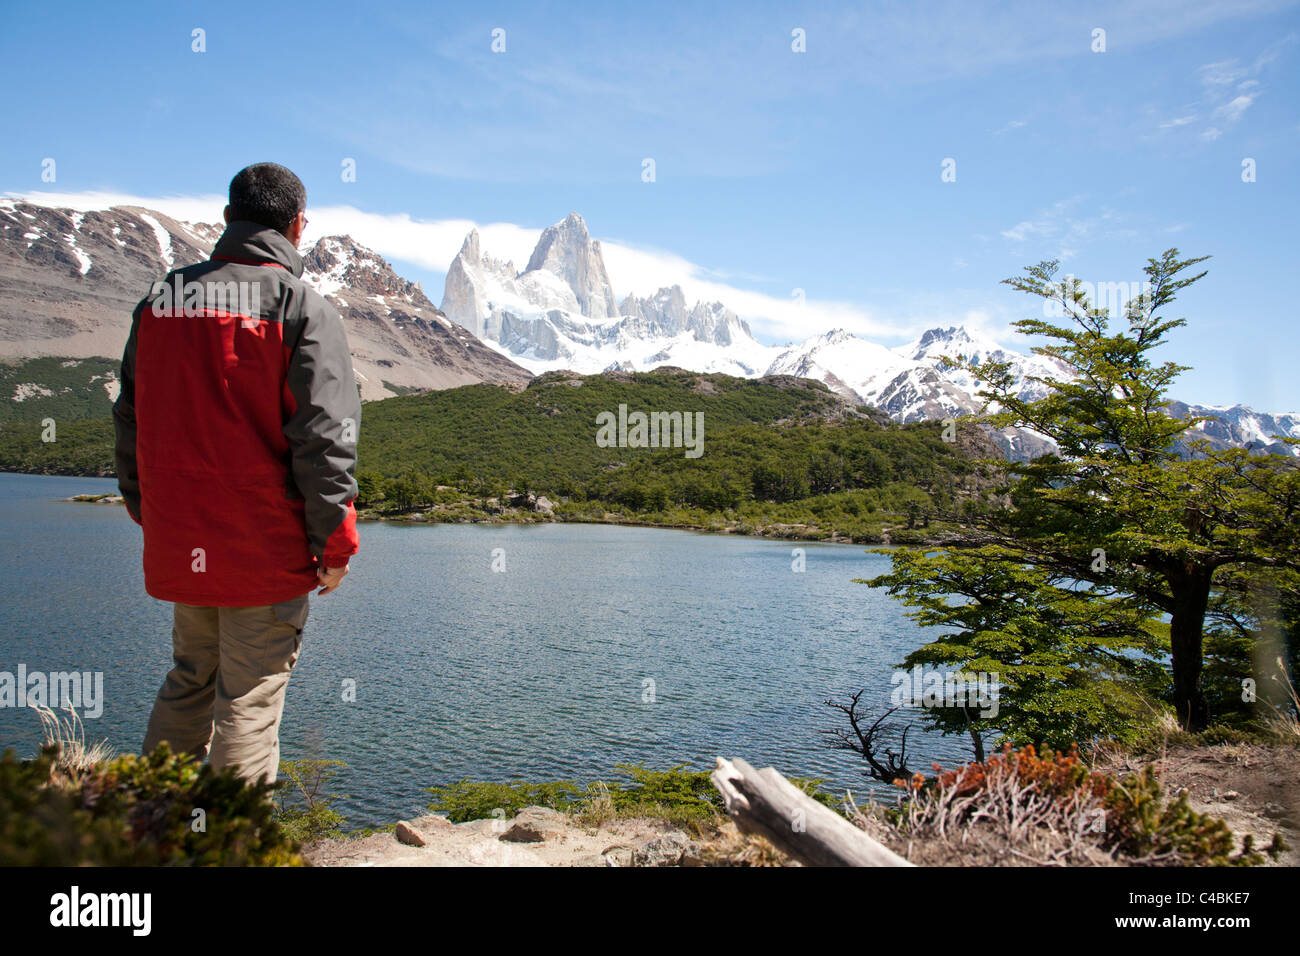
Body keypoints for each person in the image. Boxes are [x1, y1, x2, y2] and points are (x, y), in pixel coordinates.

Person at [112, 162, 360, 784]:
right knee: (249, 699)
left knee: (190, 681)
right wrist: (334, 543)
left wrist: (150, 512)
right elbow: (324, 436)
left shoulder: (161, 299)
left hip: (184, 542)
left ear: (228, 220)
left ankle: (156, 833)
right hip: (262, 549)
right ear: (297, 226)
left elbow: (130, 417)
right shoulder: (299, 305)